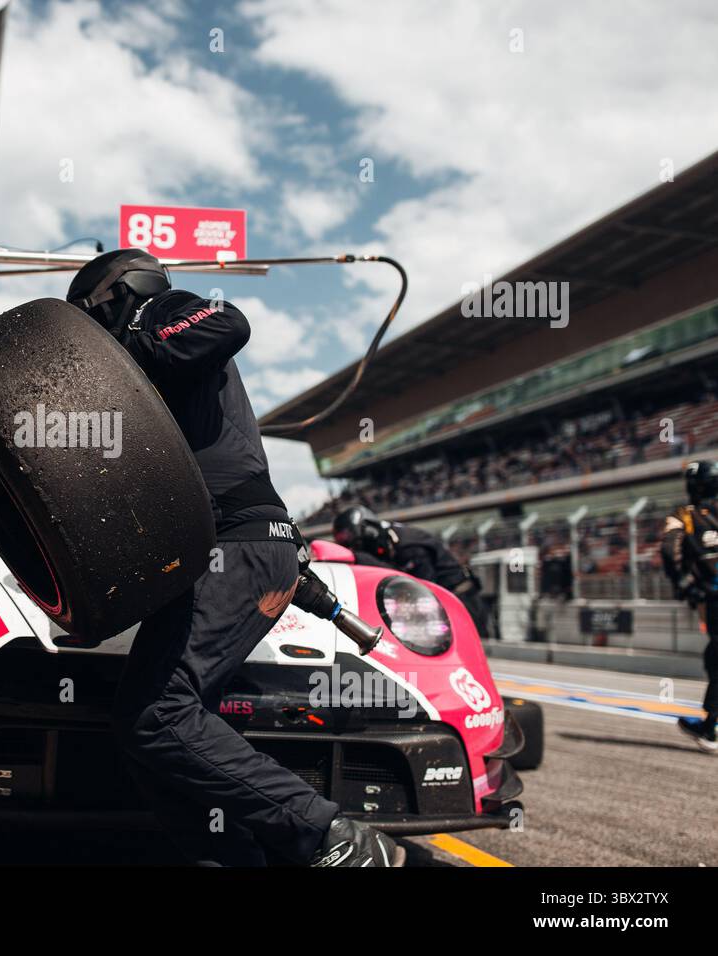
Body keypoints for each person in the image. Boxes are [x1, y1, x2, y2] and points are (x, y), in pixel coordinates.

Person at [68, 248, 403, 867]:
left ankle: (333, 840)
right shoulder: (146, 386)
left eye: (88, 318)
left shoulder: (156, 311)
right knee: (151, 732)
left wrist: (138, 332)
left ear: (112, 298)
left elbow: (230, 321)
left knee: (156, 716)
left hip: (239, 545)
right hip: (228, 550)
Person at [333, 505, 491, 638]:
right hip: (448, 604)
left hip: (462, 603)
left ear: (369, 532)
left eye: (357, 544)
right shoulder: (391, 540)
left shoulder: (408, 545)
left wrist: (362, 559)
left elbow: (421, 589)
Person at [661, 460, 718, 753]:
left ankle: (713, 727)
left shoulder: (685, 514)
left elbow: (669, 550)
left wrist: (684, 585)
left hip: (712, 594)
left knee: (716, 656)